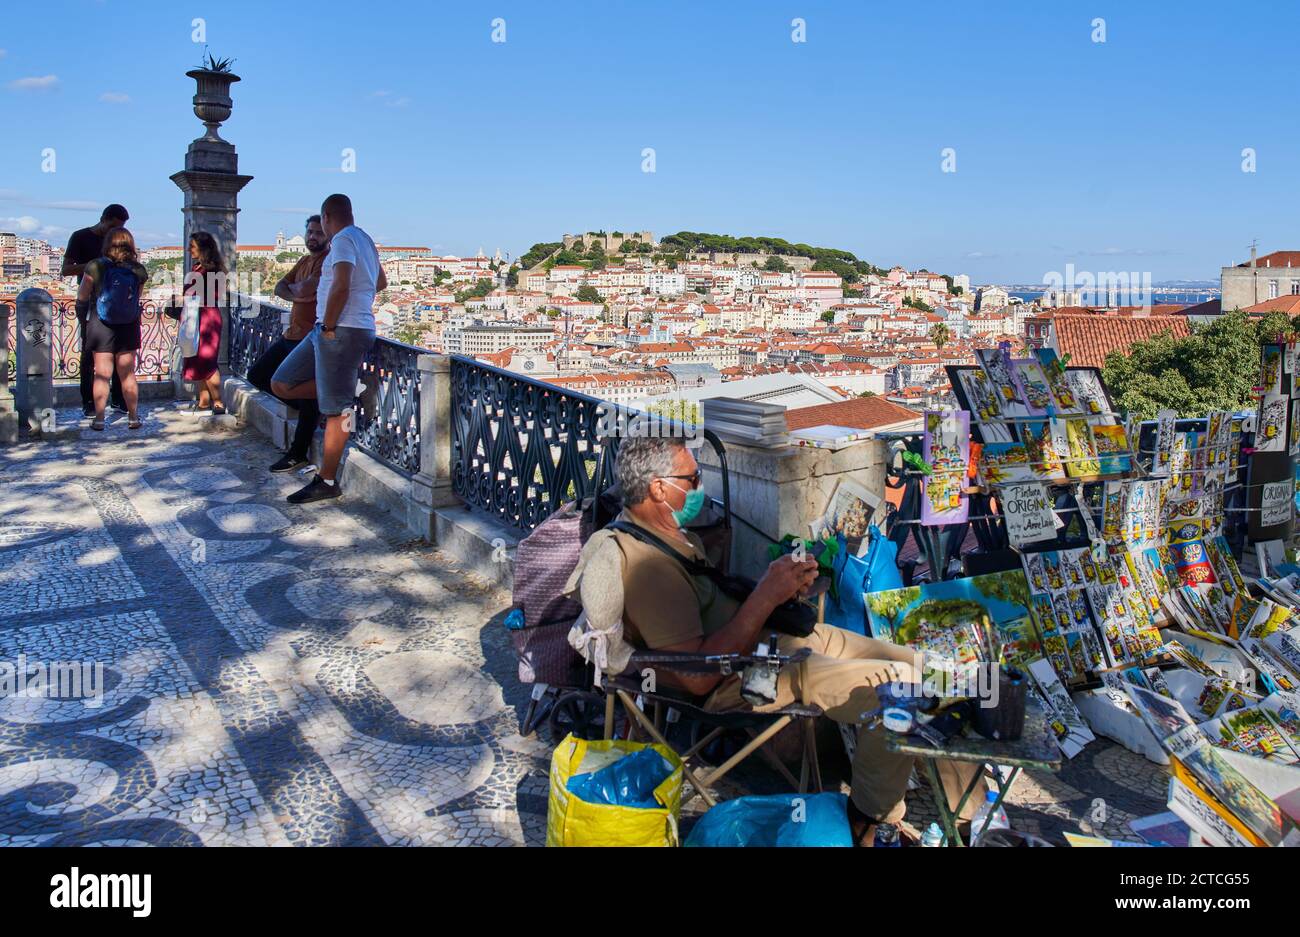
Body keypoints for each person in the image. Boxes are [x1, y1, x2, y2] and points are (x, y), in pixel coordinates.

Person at [575, 435, 984, 845]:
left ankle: (970, 816)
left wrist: (780, 589)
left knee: (928, 667)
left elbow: (723, 605)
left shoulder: (672, 536)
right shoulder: (648, 567)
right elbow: (698, 676)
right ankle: (870, 822)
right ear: (658, 487)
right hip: (746, 676)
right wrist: (765, 594)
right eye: (692, 477)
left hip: (775, 642)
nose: (700, 486)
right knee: (897, 687)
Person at [271, 194, 386, 505]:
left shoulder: (346, 240)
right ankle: (358, 389)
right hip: (330, 327)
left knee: (336, 412)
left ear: (325, 217)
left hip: (340, 330)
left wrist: (333, 324)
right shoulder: (365, 239)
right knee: (281, 382)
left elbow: (342, 283)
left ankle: (327, 480)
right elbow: (381, 282)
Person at [246, 215, 329, 472]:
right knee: (257, 375)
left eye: (318, 232)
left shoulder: (327, 262)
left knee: (302, 393)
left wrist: (297, 294)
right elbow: (280, 288)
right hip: (291, 335)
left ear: (327, 236)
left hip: (309, 338)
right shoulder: (304, 261)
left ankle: (297, 452)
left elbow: (302, 291)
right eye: (310, 232)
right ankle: (315, 409)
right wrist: (298, 294)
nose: (312, 236)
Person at [76, 227, 147, 431]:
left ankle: (99, 419)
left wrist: (84, 321)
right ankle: (133, 417)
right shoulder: (138, 270)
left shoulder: (95, 267)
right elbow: (136, 298)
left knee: (102, 374)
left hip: (100, 325)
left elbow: (82, 297)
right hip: (128, 324)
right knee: (128, 374)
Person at [63, 204, 129, 416]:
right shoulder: (80, 237)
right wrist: (94, 265)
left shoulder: (117, 241)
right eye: (112, 226)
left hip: (115, 305)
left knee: (120, 353)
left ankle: (118, 400)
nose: (114, 231)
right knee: (89, 355)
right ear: (103, 218)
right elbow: (65, 270)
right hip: (91, 303)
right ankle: (88, 402)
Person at [176, 232, 228, 415]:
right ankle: (204, 402)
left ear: (203, 249)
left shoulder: (212, 271)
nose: (188, 249)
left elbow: (214, 296)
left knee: (207, 361)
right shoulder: (199, 268)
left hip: (206, 319)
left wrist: (185, 298)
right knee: (196, 359)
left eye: (192, 246)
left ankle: (218, 402)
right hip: (196, 317)